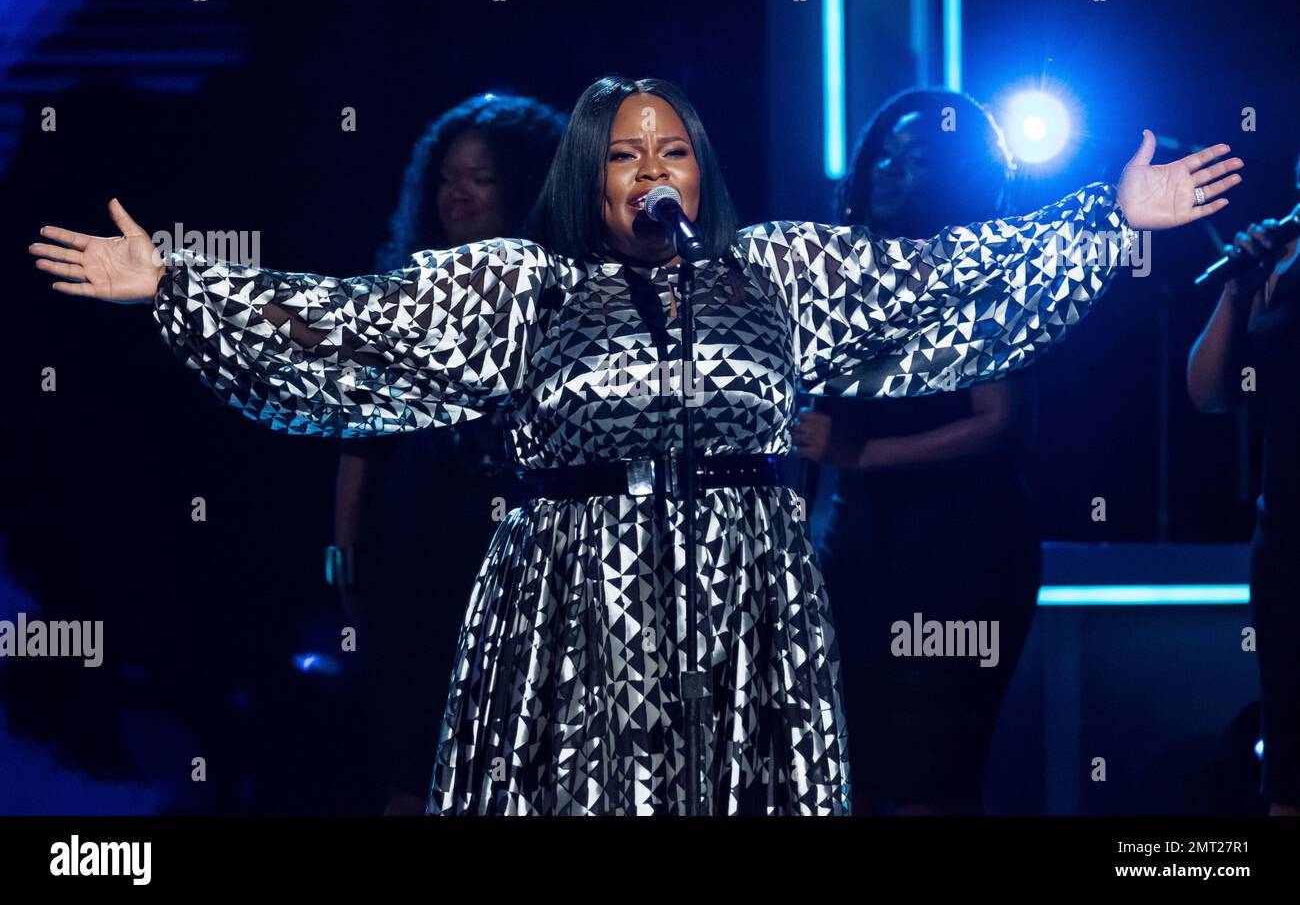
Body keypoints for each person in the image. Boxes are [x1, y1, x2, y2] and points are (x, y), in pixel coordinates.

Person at [30, 74, 1241, 815]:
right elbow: (352, 327)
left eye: (672, 150)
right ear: (588, 176)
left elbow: (935, 284)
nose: (652, 169)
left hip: (745, 602)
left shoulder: (778, 268)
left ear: (698, 172)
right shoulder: (522, 285)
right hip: (566, 605)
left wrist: (1103, 216)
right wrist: (180, 285)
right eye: (624, 151)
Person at [793, 88, 1039, 815]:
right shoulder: (847, 279)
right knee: (860, 783)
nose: (889, 171)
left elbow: (1003, 425)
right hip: (857, 552)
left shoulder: (984, 276)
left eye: (918, 158)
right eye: (883, 156)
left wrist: (864, 455)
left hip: (959, 555)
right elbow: (815, 436)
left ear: (962, 175)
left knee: (929, 782)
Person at [328, 94, 566, 815]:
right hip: (416, 535)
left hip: (528, 542)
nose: (457, 194)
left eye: (482, 178)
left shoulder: (570, 296)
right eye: (448, 177)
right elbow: (361, 441)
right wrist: (345, 550)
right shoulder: (403, 298)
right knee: (416, 746)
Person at [1187, 156, 1300, 816]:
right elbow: (1209, 393)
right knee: (1287, 773)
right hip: (1285, 539)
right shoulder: (1279, 256)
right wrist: (1236, 290)